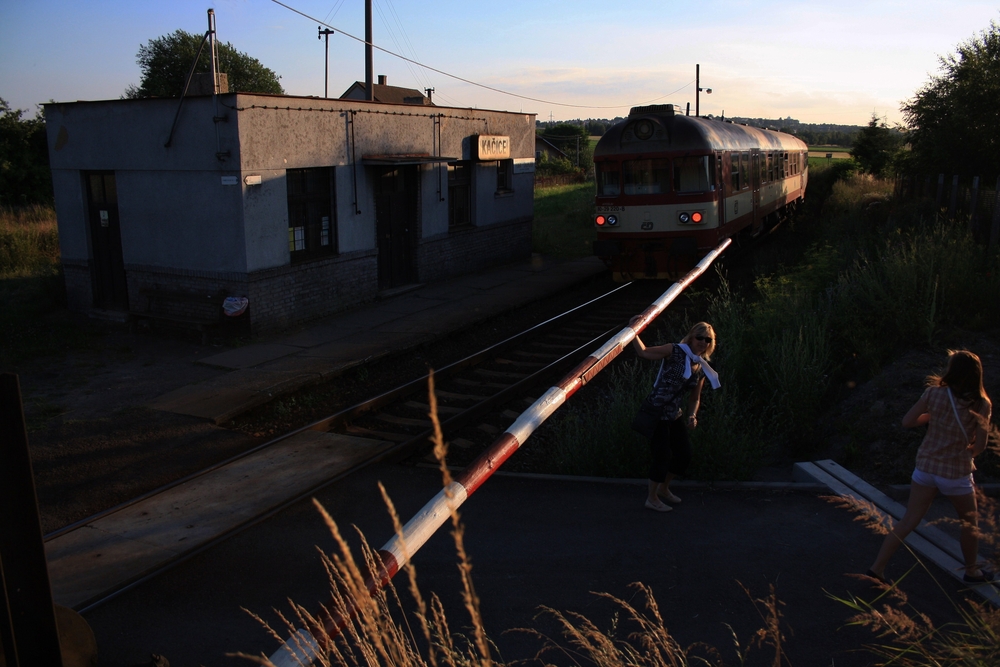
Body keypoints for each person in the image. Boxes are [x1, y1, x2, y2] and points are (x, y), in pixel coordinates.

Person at [867, 350, 995, 584]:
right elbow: (981, 446)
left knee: (908, 520)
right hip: (955, 473)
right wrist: (967, 448)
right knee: (969, 524)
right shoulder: (981, 403)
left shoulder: (933, 394)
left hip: (925, 468)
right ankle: (972, 571)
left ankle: (878, 568)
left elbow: (908, 421)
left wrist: (931, 417)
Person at [629, 319, 721, 512]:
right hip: (656, 412)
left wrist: (692, 415)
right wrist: (632, 331)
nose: (703, 342)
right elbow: (644, 352)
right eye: (700, 337)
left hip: (673, 414)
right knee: (662, 456)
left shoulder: (701, 367)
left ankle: (664, 488)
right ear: (691, 337)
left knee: (684, 455)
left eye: (707, 340)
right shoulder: (675, 350)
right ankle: (651, 498)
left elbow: (695, 397)